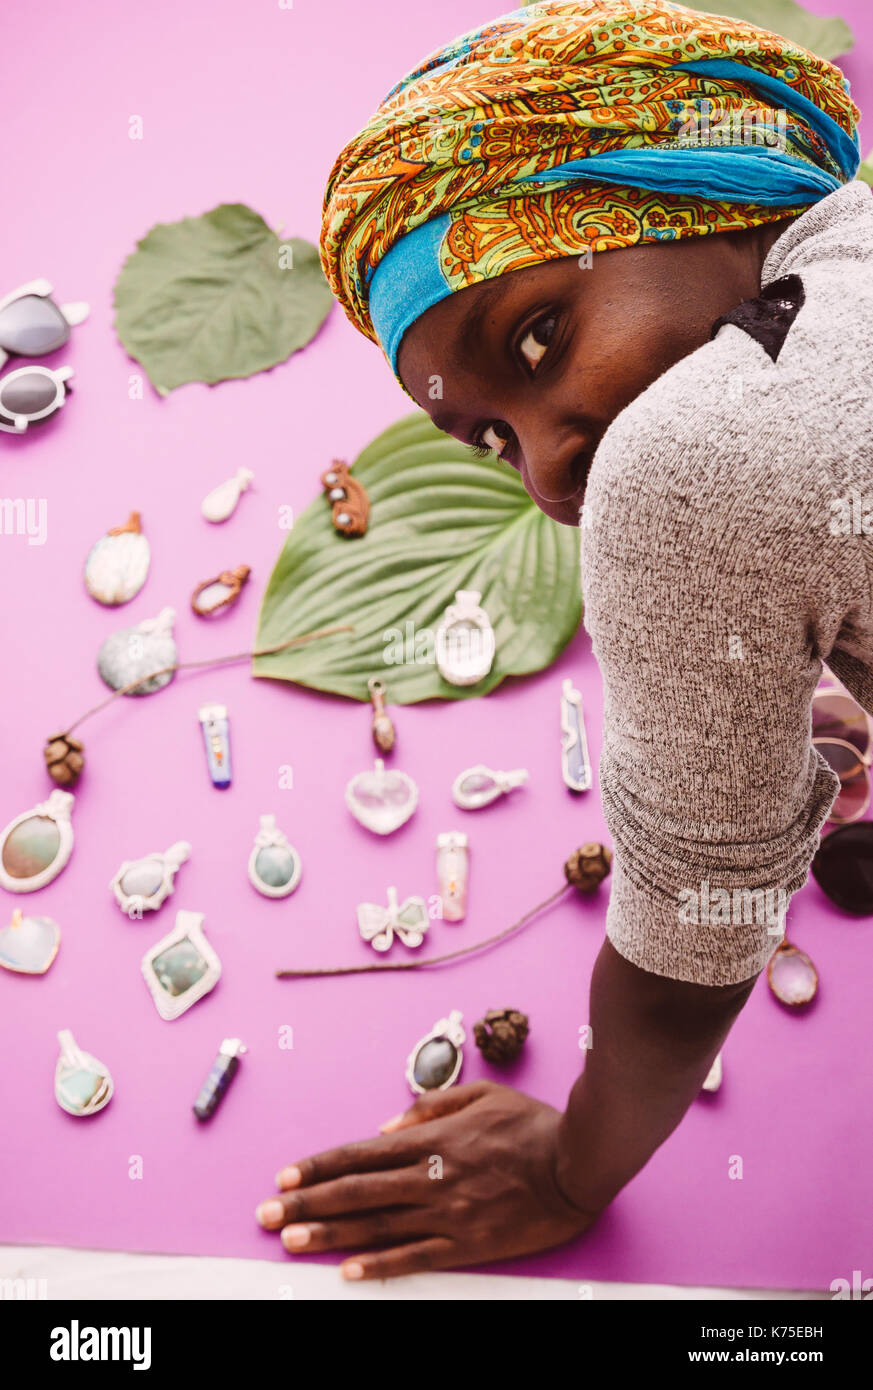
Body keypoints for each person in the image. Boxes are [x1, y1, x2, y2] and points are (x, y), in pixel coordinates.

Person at [256, 0, 873, 1280]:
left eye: (540, 338)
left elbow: (695, 927)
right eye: (490, 441)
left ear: (700, 192)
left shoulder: (685, 461)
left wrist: (564, 1165)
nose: (545, 474)